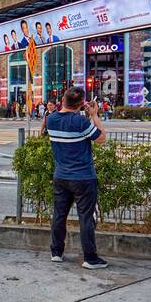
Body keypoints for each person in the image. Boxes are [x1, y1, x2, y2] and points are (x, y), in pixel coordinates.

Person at [45, 87, 108, 269]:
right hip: (83, 177)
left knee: (59, 215)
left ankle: (56, 252)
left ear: (62, 100)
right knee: (86, 218)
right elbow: (101, 138)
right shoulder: (80, 122)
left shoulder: (51, 119)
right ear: (81, 104)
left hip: (61, 176)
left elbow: (68, 123)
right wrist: (94, 115)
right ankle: (90, 258)